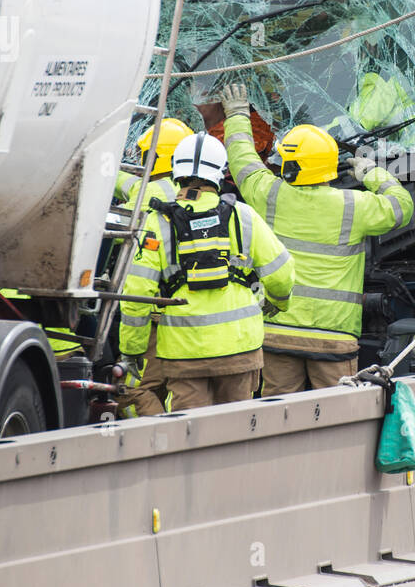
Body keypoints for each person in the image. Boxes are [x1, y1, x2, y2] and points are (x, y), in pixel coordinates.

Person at [220, 83, 413, 393]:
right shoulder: (355, 206)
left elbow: (242, 159)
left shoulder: (270, 194)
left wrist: (237, 115)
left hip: (277, 333)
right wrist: (372, 173)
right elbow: (401, 207)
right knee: (339, 419)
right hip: (333, 339)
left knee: (277, 417)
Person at [116, 131, 294, 415]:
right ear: (221, 172)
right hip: (240, 349)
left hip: (185, 353)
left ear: (177, 171)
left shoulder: (156, 222)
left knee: (191, 436)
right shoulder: (242, 216)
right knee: (237, 431)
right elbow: (282, 272)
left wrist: (133, 351)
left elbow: (137, 294)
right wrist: (278, 302)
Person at [112, 117, 192, 210]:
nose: (135, 161)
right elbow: (132, 185)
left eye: (140, 154)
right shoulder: (180, 186)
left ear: (154, 157)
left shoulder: (152, 192)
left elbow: (108, 219)